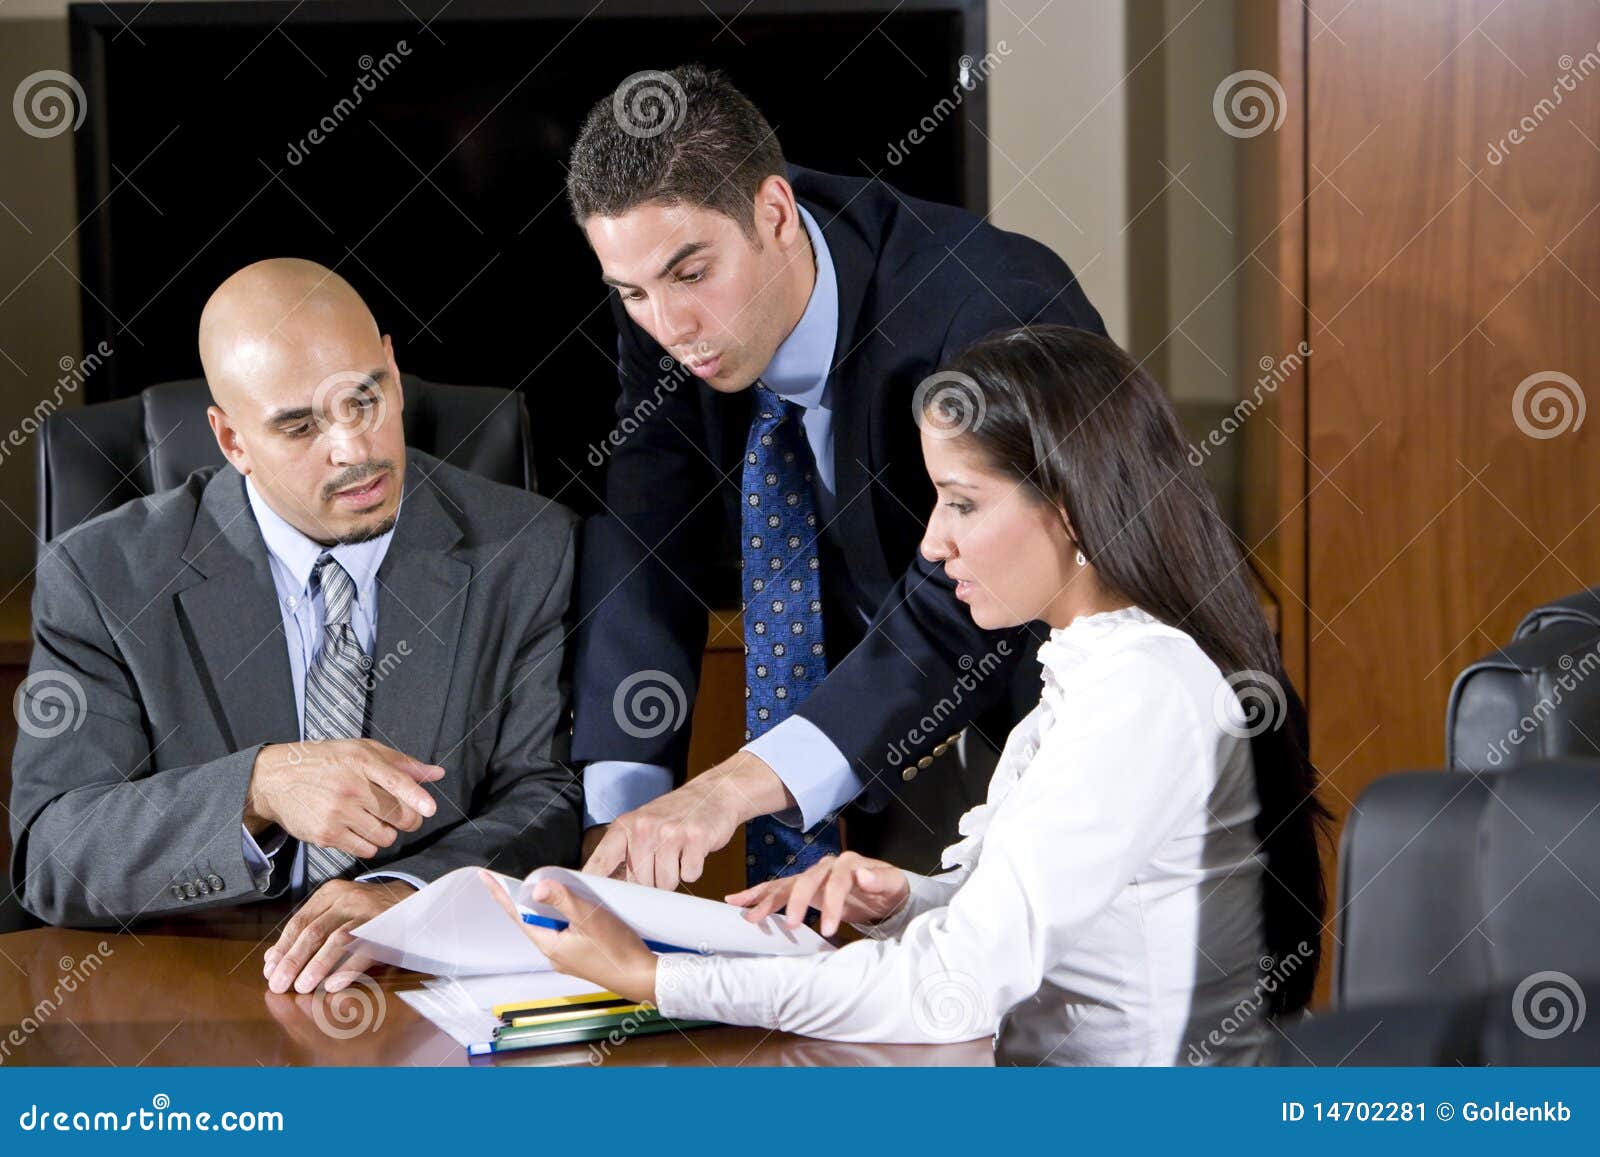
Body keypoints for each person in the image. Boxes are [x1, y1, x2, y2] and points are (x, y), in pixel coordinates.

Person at [482, 325, 1331, 1065]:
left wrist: (653, 975)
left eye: (962, 502)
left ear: (1068, 508)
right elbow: (1042, 927)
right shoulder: (1097, 666)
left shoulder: (1139, 689)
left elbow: (951, 992)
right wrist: (912, 897)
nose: (934, 541)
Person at [569, 64, 1108, 888]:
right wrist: (621, 815)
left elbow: (974, 591)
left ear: (775, 214)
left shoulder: (991, 309)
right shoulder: (663, 292)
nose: (669, 326)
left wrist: (735, 785)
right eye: (631, 291)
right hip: (870, 723)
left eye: (689, 275)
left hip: (1053, 727)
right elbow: (651, 527)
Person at [9, 259, 583, 996]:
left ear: (394, 372)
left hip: (429, 993)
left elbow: (547, 796)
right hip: (198, 996)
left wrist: (408, 893)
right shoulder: (101, 576)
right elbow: (53, 855)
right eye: (300, 426)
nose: (354, 449)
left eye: (364, 398)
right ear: (232, 440)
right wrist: (257, 787)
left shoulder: (530, 547)